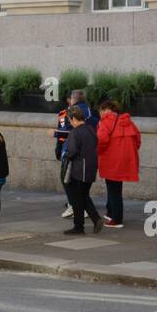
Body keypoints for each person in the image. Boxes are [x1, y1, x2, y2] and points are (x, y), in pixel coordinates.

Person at [96, 99, 141, 228]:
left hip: (111, 159)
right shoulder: (128, 122)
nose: (100, 114)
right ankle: (111, 213)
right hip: (126, 160)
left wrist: (98, 152)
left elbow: (101, 140)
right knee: (116, 188)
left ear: (106, 110)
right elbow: (137, 139)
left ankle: (116, 219)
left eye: (100, 111)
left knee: (113, 190)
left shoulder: (105, 122)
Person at [53, 89, 96, 220]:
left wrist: (56, 134)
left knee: (68, 181)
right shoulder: (90, 112)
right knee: (82, 189)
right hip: (89, 154)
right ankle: (87, 217)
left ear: (73, 99)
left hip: (74, 154)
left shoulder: (72, 113)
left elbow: (68, 133)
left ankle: (76, 208)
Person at [62, 104, 103, 235]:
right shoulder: (91, 129)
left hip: (79, 170)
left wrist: (65, 154)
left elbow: (72, 151)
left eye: (69, 119)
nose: (69, 122)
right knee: (84, 196)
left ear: (74, 118)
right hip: (91, 168)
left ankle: (79, 226)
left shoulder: (75, 132)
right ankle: (95, 220)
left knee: (77, 199)